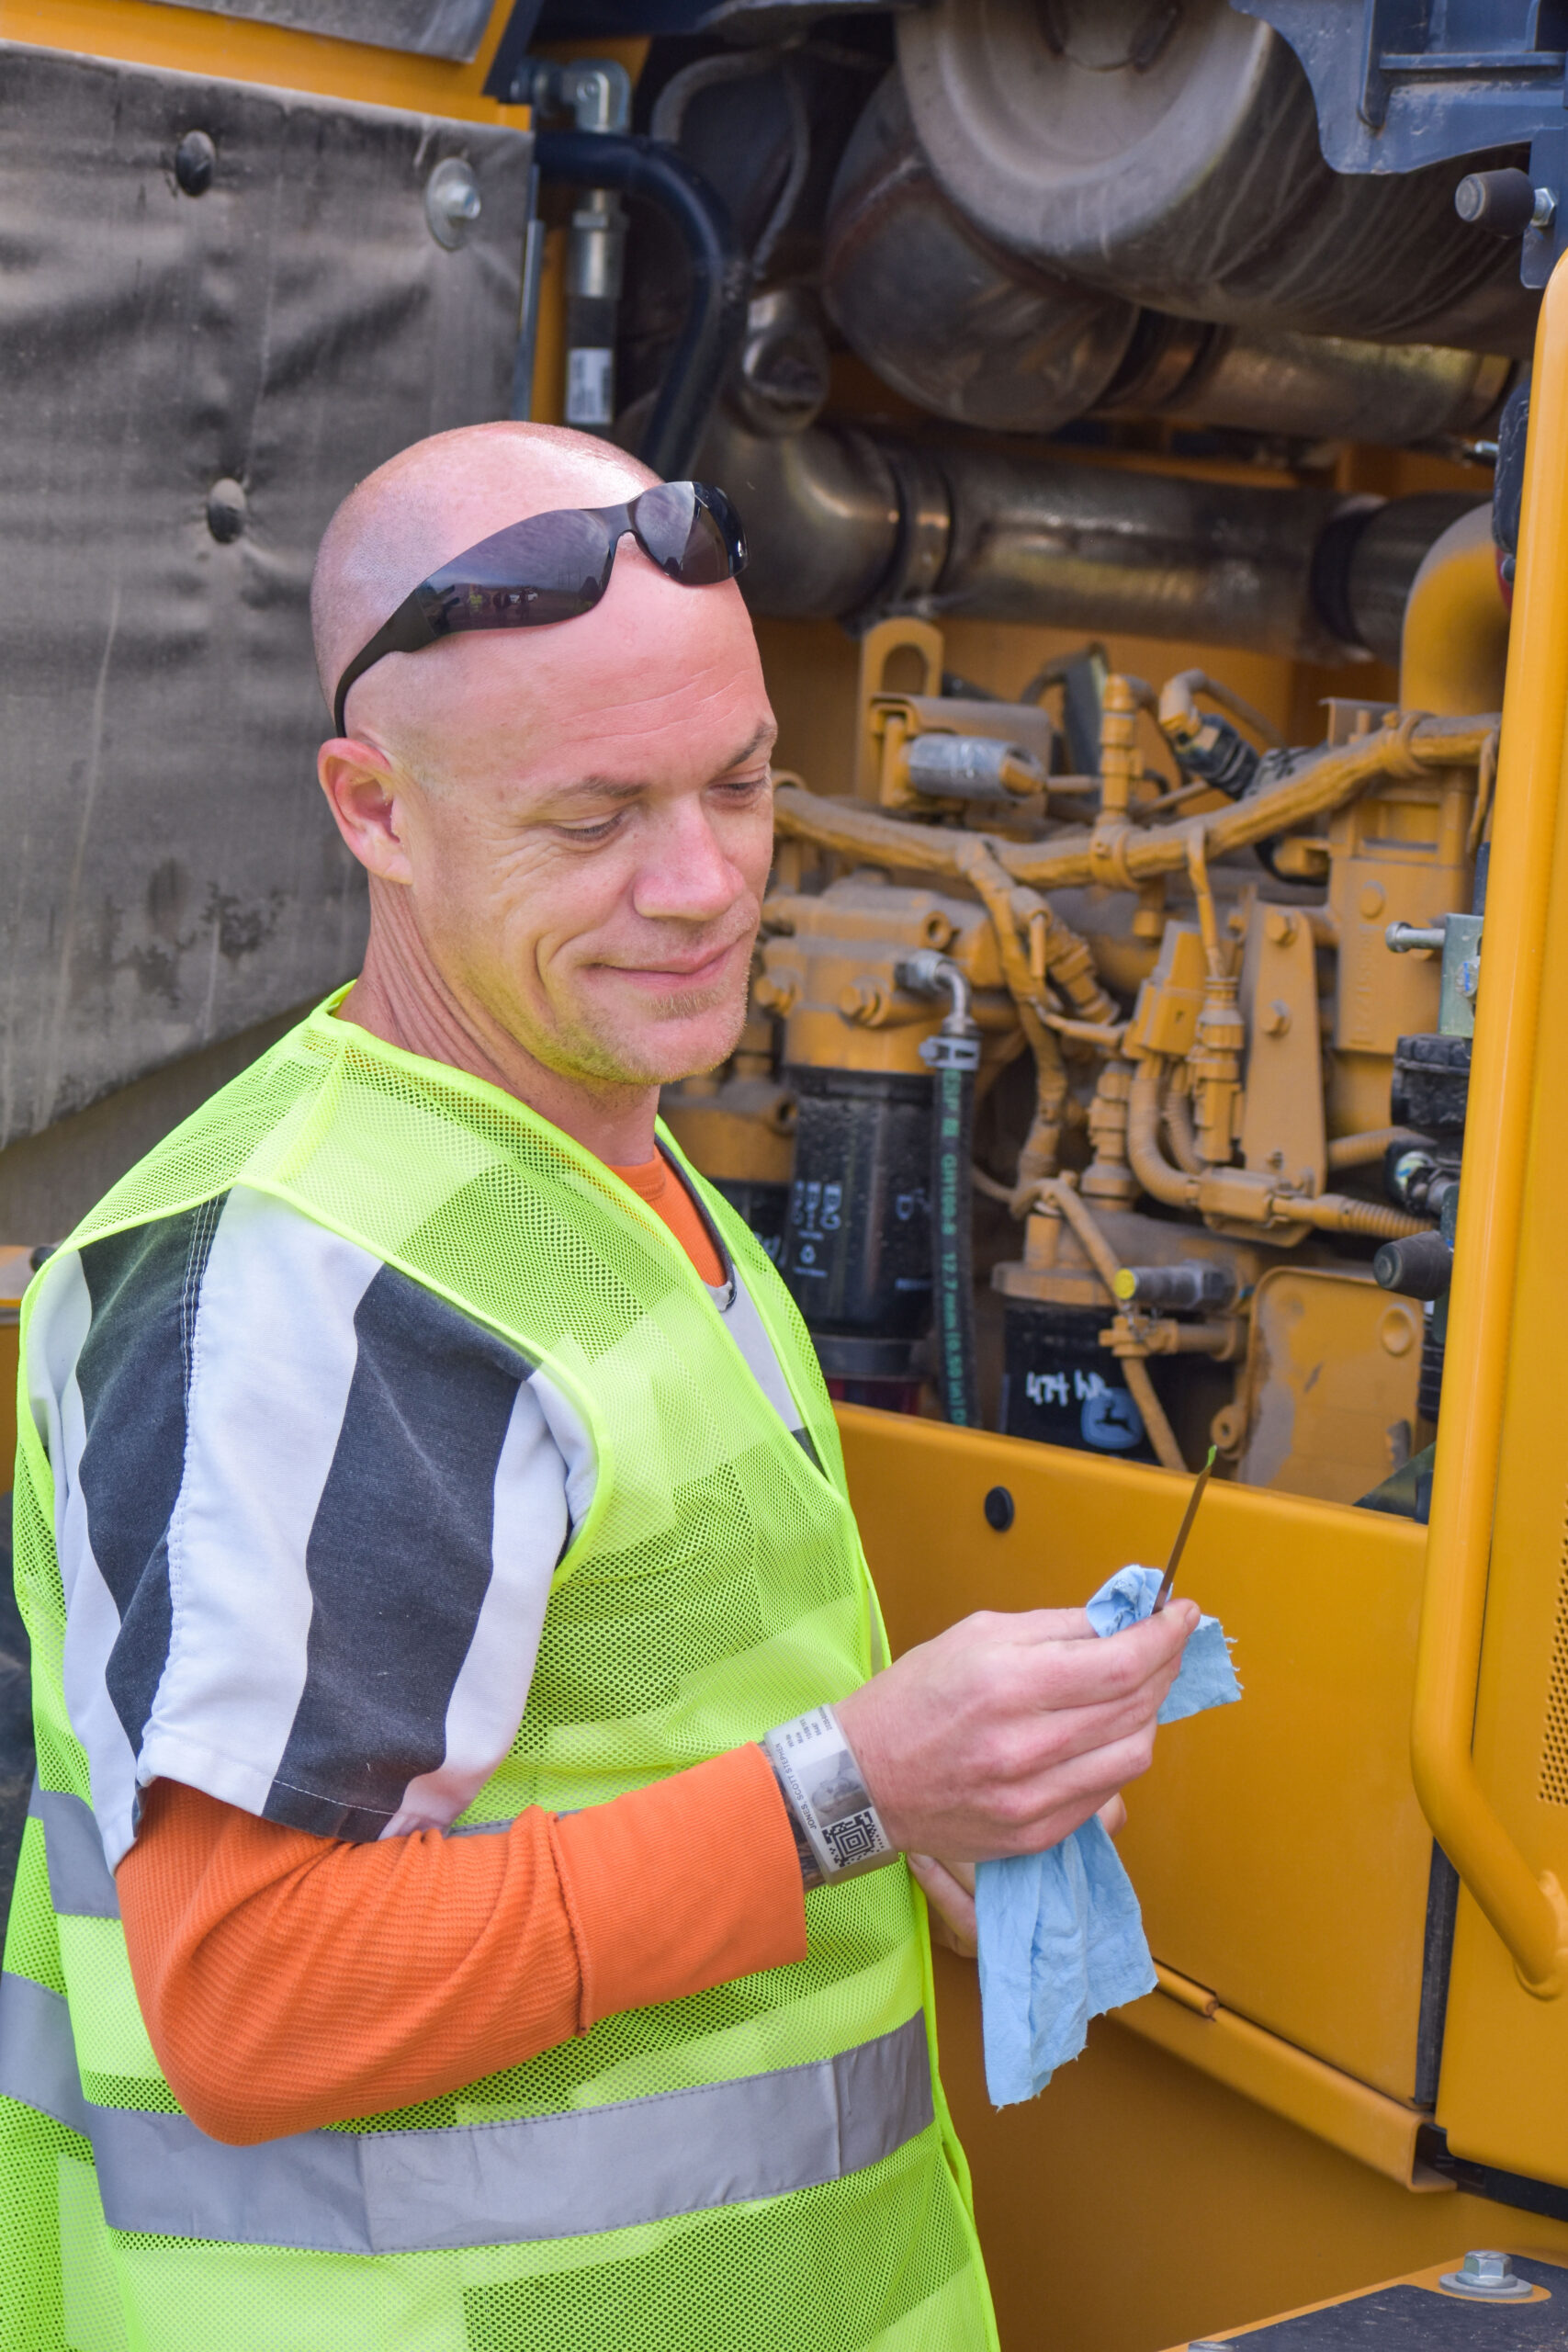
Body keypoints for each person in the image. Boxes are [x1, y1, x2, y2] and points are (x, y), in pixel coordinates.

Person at [0, 422, 1198, 2352]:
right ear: (371, 809)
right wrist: (849, 1785)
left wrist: (918, 1817)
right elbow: (248, 1998)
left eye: (739, 783)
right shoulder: (319, 1284)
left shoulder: (611, 1172)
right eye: (594, 817)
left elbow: (633, 1755)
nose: (703, 879)